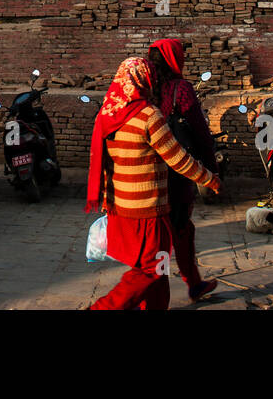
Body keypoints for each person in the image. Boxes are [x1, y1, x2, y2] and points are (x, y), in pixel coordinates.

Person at [86, 56, 219, 310]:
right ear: (144, 80)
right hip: (147, 211)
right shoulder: (148, 115)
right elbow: (178, 159)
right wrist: (210, 179)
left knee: (156, 266)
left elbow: (102, 163)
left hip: (119, 209)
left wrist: (105, 198)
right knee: (152, 270)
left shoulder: (108, 113)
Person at [147, 39, 219, 302]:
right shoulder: (181, 89)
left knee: (161, 236)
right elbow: (201, 134)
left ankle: (188, 284)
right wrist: (212, 171)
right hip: (177, 175)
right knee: (179, 231)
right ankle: (167, 291)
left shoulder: (144, 89)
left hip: (146, 176)